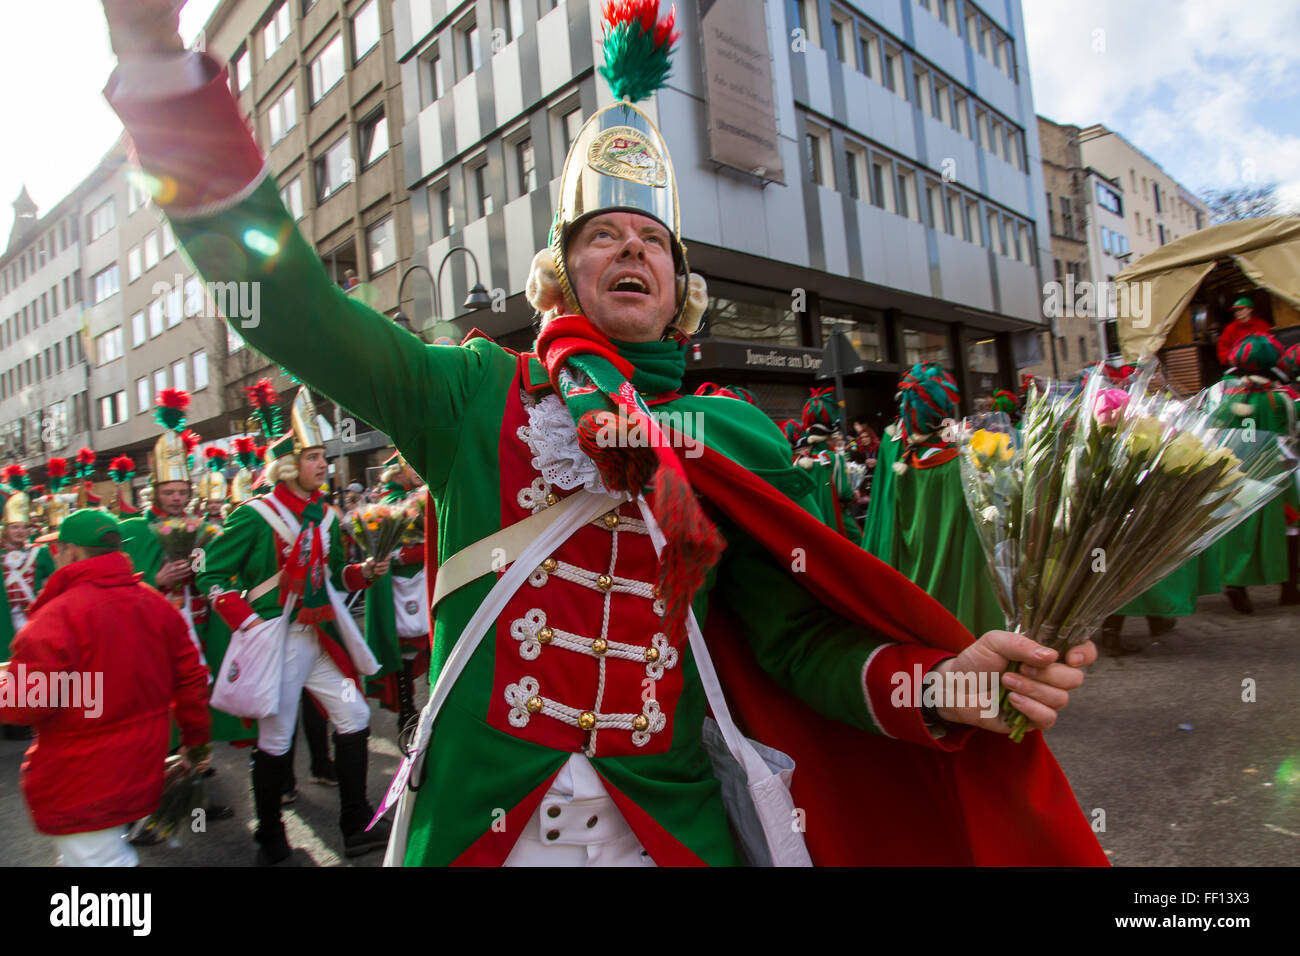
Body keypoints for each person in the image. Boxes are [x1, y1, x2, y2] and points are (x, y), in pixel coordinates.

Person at [102, 0, 1102, 868]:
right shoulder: (469, 393)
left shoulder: (735, 435)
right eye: (601, 236)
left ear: (682, 296)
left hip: (667, 827)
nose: (630, 245)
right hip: (480, 827)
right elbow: (289, 305)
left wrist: (938, 679)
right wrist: (163, 78)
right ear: (558, 278)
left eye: (653, 240)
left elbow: (792, 642)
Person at [196, 385, 390, 864]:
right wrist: (245, 623)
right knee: (276, 740)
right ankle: (270, 835)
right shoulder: (254, 515)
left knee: (356, 716)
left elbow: (334, 577)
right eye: (314, 457)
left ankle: (355, 820)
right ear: (289, 465)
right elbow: (210, 572)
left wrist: (362, 573)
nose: (323, 465)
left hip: (318, 642)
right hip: (276, 643)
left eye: (323, 456)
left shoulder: (326, 516)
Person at [0, 510, 210, 866]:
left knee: (101, 864)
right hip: (141, 758)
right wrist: (196, 743)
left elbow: (24, 705)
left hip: (81, 774)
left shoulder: (58, 615)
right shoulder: (155, 603)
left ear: (71, 552)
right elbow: (192, 678)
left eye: (58, 548)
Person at [861, 363, 1004, 637]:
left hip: (899, 576)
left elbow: (881, 513)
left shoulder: (892, 449)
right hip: (950, 589)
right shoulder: (962, 464)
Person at [1209, 334, 1299, 612]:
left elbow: (1211, 431)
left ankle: (1236, 586)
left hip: (1234, 472)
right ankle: (1288, 586)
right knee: (1289, 528)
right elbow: (1292, 434)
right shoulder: (1281, 398)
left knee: (1236, 528)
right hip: (1274, 474)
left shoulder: (1221, 395)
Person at [363, 452, 430, 732]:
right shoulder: (399, 501)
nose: (416, 470)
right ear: (398, 470)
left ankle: (409, 710)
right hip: (408, 587)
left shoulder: (396, 499)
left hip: (406, 585)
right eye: (410, 465)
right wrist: (416, 552)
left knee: (413, 649)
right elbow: (401, 549)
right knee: (417, 645)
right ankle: (410, 712)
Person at [0, 468, 55, 741]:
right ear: (5, 530)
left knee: (31, 665)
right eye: (15, 527)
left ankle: (25, 716)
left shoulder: (39, 552)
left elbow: (52, 578)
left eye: (23, 527)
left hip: (32, 616)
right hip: (6, 619)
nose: (20, 532)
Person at [1215, 295, 1273, 367]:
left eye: (1241, 309)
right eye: (1236, 311)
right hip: (1241, 367)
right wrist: (1229, 358)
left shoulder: (1262, 325)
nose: (1237, 313)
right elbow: (1222, 347)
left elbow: (1271, 343)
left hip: (1262, 365)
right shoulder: (1230, 329)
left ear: (1250, 310)